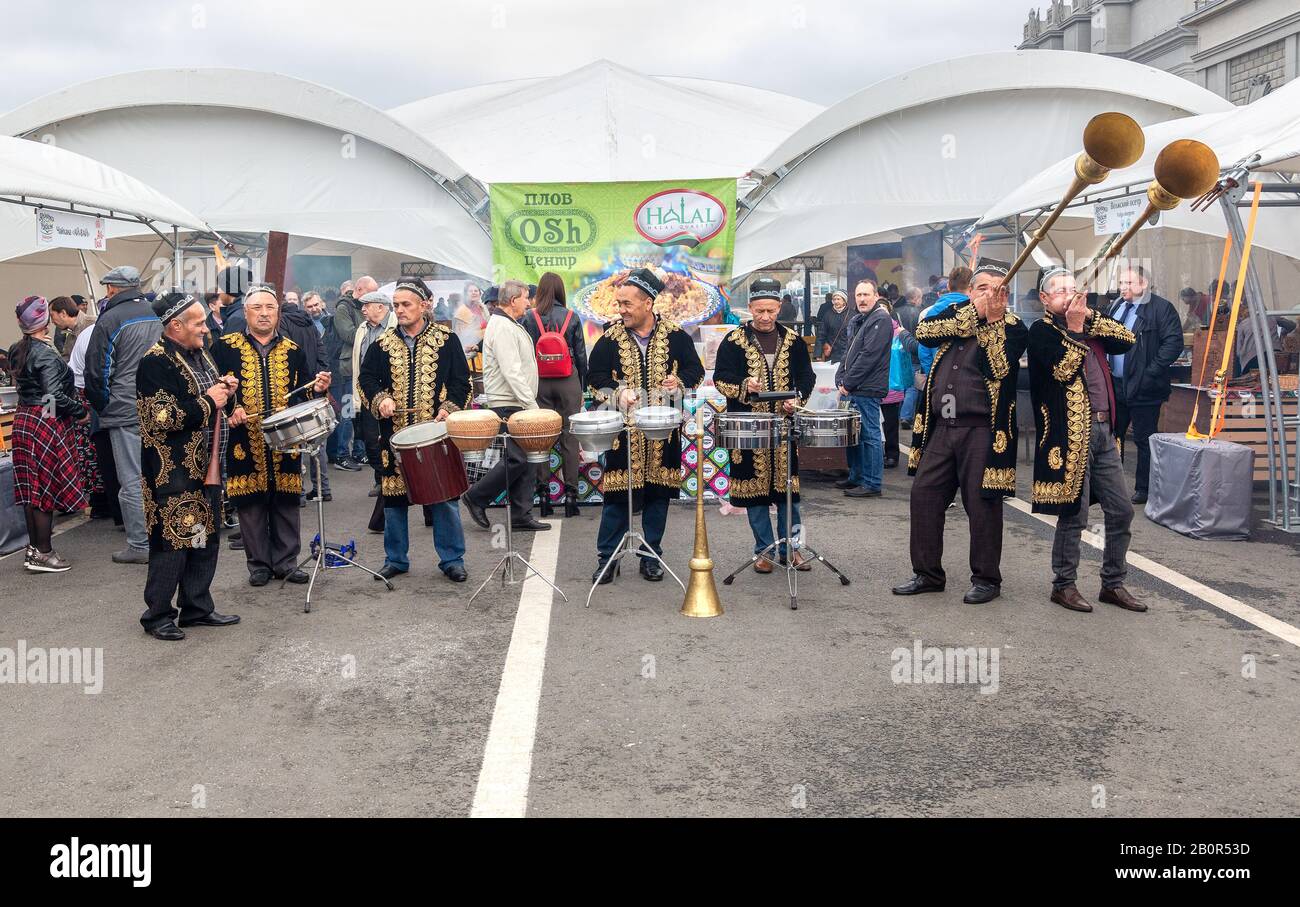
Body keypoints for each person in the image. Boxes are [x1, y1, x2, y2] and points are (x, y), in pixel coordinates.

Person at [893, 259, 1029, 605]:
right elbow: (924, 332)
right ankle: (927, 573)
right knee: (924, 496)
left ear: (1006, 296)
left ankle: (986, 578)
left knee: (982, 506)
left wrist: (992, 321)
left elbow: (1000, 367)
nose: (987, 295)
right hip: (942, 426)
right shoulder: (952, 317)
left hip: (982, 428)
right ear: (969, 291)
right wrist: (974, 314)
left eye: (995, 290)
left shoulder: (1013, 327)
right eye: (981, 288)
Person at [1029, 267, 1145, 614]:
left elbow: (1127, 338)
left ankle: (1113, 582)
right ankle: (1063, 584)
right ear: (1045, 299)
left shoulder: (1091, 322)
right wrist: (1077, 329)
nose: (1070, 295)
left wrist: (1087, 318)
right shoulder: (1041, 331)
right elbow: (1064, 369)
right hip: (1068, 436)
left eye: (1073, 288)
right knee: (1073, 514)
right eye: (1061, 291)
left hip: (1105, 431)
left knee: (1122, 510)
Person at [585, 268, 705, 583]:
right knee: (616, 497)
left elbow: (696, 370)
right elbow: (594, 377)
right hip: (621, 435)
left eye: (626, 303)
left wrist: (677, 382)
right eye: (619, 303)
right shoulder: (610, 338)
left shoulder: (676, 335)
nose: (620, 309)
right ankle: (608, 558)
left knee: (658, 494)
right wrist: (616, 392)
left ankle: (650, 556)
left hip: (663, 433)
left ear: (647, 303)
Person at [136, 291, 241, 640]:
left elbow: (212, 400)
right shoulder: (155, 362)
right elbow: (161, 417)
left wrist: (228, 391)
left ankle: (197, 607)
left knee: (203, 538)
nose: (205, 328)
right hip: (172, 471)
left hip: (205, 464)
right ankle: (158, 615)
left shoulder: (199, 353)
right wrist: (209, 400)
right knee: (172, 543)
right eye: (198, 323)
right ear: (175, 326)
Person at [212, 287, 330, 586]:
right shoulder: (224, 347)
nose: (264, 313)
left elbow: (302, 392)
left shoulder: (293, 350)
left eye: (270, 308)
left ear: (278, 313)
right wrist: (230, 409)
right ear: (246, 312)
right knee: (250, 504)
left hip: (286, 439)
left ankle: (287, 562)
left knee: (287, 501)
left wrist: (316, 389)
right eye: (257, 308)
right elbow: (213, 389)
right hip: (243, 437)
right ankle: (259, 565)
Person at [358, 281, 471, 583]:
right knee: (394, 500)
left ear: (424, 305)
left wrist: (448, 409)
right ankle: (395, 559)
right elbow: (365, 379)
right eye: (396, 305)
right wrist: (381, 400)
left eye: (406, 304)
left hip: (435, 436)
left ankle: (452, 559)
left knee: (444, 498)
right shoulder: (382, 343)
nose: (400, 310)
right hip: (393, 436)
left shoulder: (446, 340)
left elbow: (462, 382)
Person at [713, 278, 815, 572]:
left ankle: (793, 548)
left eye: (771, 310)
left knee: (788, 493)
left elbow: (806, 377)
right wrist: (746, 385)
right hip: (748, 429)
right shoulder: (733, 341)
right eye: (760, 311)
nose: (766, 317)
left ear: (779, 307)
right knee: (754, 494)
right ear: (750, 308)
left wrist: (796, 400)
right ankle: (764, 550)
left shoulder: (793, 341)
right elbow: (721, 379)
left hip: (784, 428)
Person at [84, 265, 163, 565]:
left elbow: (97, 372)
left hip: (125, 410)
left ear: (114, 289)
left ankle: (140, 544)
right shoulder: (157, 312)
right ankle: (164, 536)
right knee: (160, 473)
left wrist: (104, 406)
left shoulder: (110, 319)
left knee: (131, 479)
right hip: (159, 407)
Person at [463, 280, 551, 534]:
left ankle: (521, 515)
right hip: (509, 402)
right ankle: (477, 496)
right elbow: (511, 371)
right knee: (518, 459)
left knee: (526, 460)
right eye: (525, 298)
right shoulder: (502, 326)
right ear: (513, 301)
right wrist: (531, 406)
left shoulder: (507, 323)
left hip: (516, 401)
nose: (529, 302)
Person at [10, 296, 88, 573]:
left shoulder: (18, 347)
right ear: (43, 320)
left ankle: (35, 549)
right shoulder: (43, 351)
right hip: (42, 420)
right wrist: (78, 411)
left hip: (26, 418)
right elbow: (51, 395)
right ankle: (43, 552)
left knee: (33, 489)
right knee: (42, 489)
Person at [1107, 263, 1183, 506]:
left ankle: (1144, 489)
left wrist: (1150, 373)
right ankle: (1111, 484)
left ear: (1143, 284)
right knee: (1113, 436)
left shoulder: (1161, 308)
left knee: (1143, 439)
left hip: (1145, 388)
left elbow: (1173, 343)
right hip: (1116, 384)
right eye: (1121, 283)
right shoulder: (1116, 306)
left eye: (1129, 283)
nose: (1123, 288)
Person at [522, 271, 588, 518]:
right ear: (561, 290)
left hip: (540, 381)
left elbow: (526, 354)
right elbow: (581, 356)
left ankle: (543, 497)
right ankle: (571, 497)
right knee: (570, 438)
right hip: (567, 379)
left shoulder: (529, 317)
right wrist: (582, 387)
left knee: (541, 439)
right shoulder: (571, 317)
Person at [835, 280, 892, 498]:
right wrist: (840, 377)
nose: (862, 299)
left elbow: (869, 356)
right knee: (854, 435)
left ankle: (872, 484)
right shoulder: (860, 320)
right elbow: (848, 352)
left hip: (867, 388)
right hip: (856, 387)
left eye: (866, 294)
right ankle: (857, 477)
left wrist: (847, 383)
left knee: (870, 436)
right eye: (859, 295)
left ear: (876, 296)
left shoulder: (881, 319)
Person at [351, 291, 398, 495]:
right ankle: (380, 478)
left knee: (391, 438)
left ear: (381, 307)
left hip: (392, 394)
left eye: (366, 304)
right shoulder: (362, 328)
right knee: (370, 439)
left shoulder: (396, 326)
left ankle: (392, 479)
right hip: (367, 391)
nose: (362, 309)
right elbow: (357, 362)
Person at [332, 276, 377, 472]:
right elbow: (349, 335)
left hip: (363, 367)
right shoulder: (344, 308)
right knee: (348, 412)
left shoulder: (360, 307)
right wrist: (371, 328)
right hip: (350, 368)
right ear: (360, 289)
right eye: (371, 293)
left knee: (361, 412)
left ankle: (359, 452)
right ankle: (342, 455)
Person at [918, 266, 971, 375]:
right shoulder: (977, 312)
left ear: (948, 286)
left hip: (940, 375)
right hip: (970, 377)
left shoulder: (930, 313)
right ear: (971, 287)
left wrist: (931, 376)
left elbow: (924, 350)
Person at [49, 296, 94, 361]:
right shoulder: (69, 339)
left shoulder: (95, 324)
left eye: (52, 316)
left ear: (63, 313)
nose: (52, 321)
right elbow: (67, 362)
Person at [215, 263, 255, 337]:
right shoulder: (246, 311)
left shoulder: (237, 319)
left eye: (220, 287)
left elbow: (227, 348)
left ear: (229, 289)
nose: (218, 292)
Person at [815, 289, 852, 363]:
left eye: (838, 299)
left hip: (848, 354)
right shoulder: (828, 315)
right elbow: (821, 334)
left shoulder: (852, 315)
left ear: (844, 301)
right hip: (831, 354)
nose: (836, 301)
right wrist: (818, 354)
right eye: (834, 299)